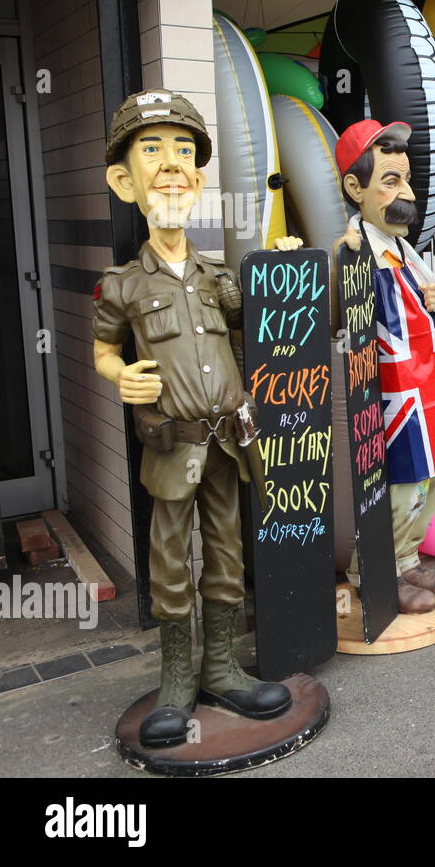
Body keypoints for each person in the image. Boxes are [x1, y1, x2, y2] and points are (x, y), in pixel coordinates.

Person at [93, 89, 296, 748]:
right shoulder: (123, 284)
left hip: (228, 442)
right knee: (171, 560)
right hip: (171, 445)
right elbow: (100, 347)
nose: (172, 165)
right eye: (152, 151)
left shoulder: (218, 276)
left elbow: (257, 317)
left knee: (227, 553)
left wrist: (287, 264)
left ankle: (221, 667)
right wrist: (119, 373)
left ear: (200, 179)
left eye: (184, 152)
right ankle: (177, 678)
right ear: (125, 181)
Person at [334, 119, 435, 615]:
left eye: (405, 180)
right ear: (355, 188)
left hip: (433, 388)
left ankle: (406, 558)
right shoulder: (352, 253)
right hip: (395, 398)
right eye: (390, 181)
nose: (405, 193)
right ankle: (372, 572)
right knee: (399, 484)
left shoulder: (407, 250)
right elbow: (332, 321)